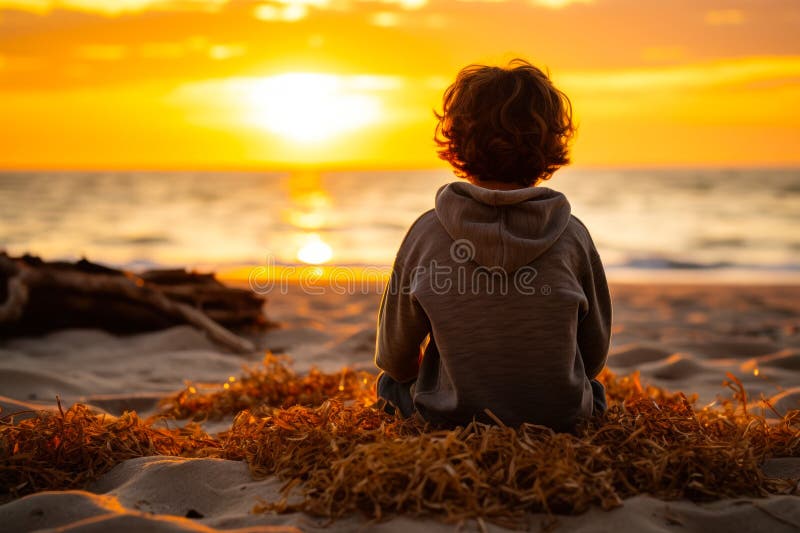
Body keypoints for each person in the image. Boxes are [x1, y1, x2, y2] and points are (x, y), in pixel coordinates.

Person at [374, 59, 612, 432]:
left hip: (451, 422)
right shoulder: (573, 236)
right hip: (559, 424)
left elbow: (395, 357)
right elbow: (593, 355)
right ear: (550, 143)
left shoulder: (426, 233)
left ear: (457, 140)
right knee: (594, 389)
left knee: (390, 385)